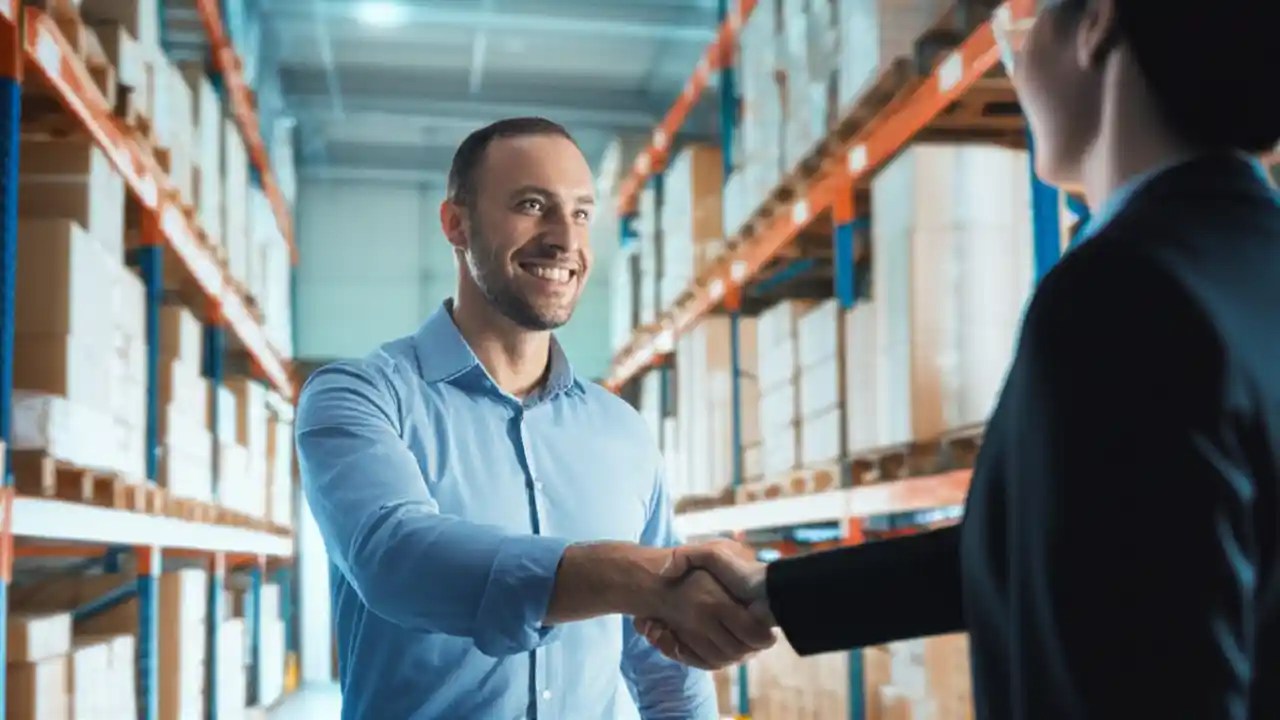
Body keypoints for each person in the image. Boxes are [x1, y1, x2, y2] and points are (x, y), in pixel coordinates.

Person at [637, 0, 1280, 717]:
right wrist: (775, 590)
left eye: (1024, 30)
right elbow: (1063, 552)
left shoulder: (1123, 293)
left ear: (1096, 26)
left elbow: (1137, 667)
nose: (1016, 64)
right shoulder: (1245, 270)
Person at [295, 117, 774, 720]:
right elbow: (396, 558)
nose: (564, 240)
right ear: (456, 224)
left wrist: (659, 588)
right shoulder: (359, 397)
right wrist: (632, 573)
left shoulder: (619, 431)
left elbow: (657, 655)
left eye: (579, 213)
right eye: (531, 205)